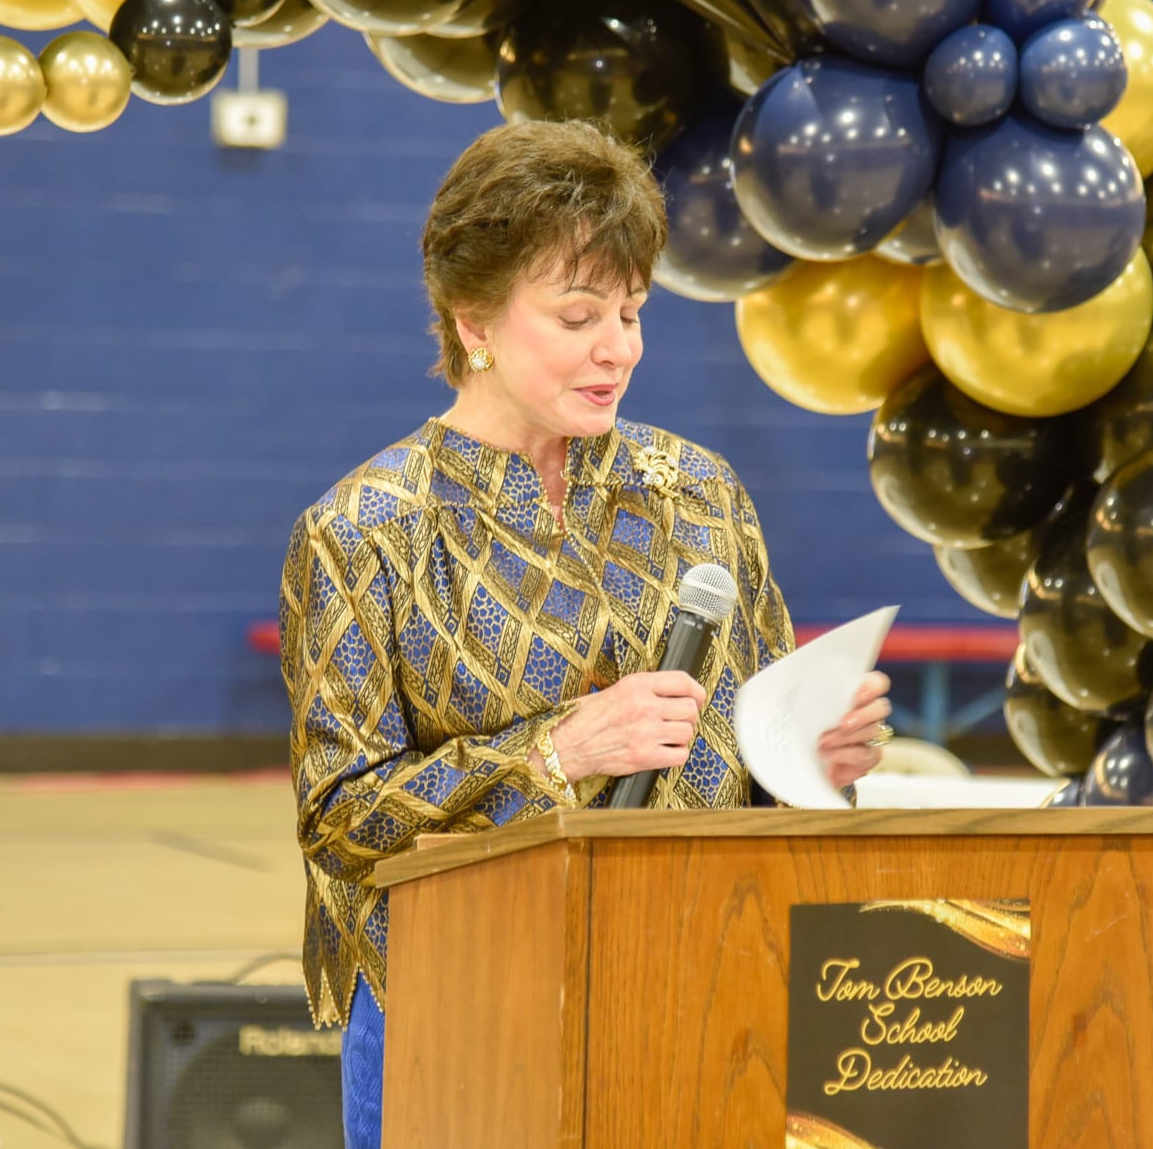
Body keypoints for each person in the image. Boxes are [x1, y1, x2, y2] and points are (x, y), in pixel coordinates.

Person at [277, 119, 895, 1149]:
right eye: (577, 315)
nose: (618, 348)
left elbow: (745, 752)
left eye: (632, 312)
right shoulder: (362, 531)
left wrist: (809, 758)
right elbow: (341, 820)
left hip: (699, 981)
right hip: (461, 1007)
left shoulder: (701, 492)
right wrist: (559, 753)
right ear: (471, 316)